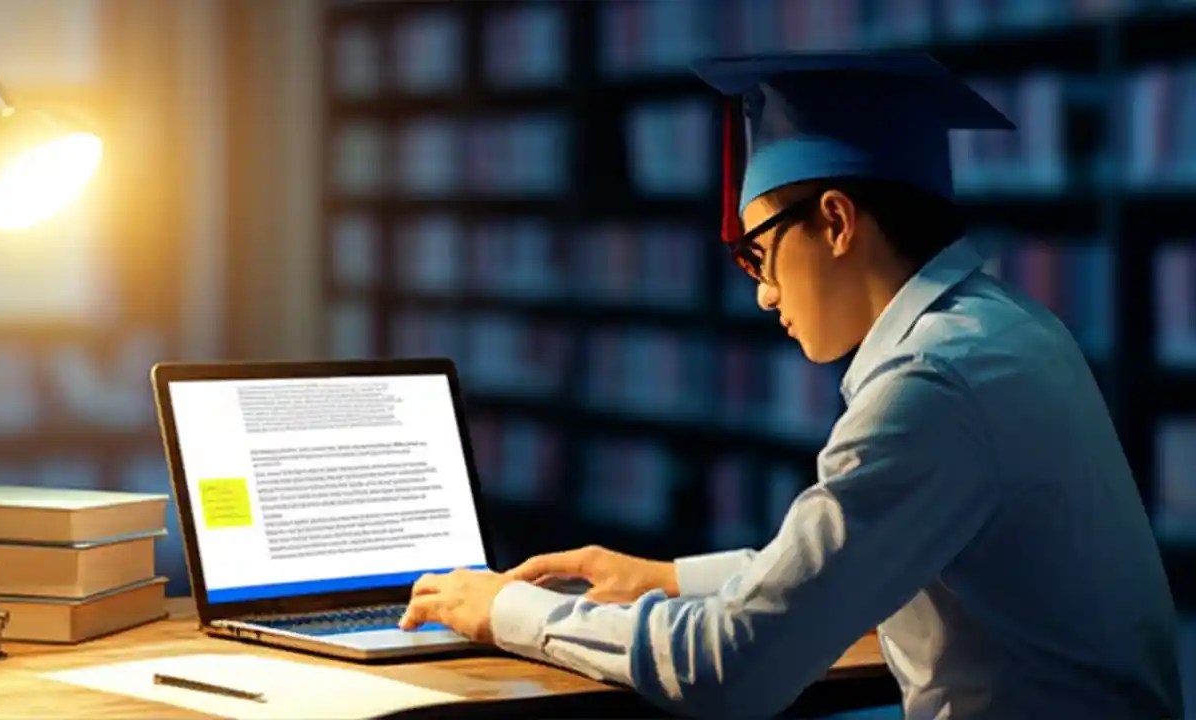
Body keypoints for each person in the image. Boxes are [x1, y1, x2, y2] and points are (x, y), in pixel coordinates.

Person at [398, 52, 1184, 719]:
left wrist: (505, 611)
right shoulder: (1006, 327)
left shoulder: (931, 384)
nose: (763, 293)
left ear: (837, 222)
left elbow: (731, 667)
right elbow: (854, 558)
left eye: (759, 252)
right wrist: (668, 579)